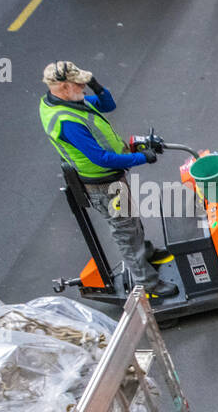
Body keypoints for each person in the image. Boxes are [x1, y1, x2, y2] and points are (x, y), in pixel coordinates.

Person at [39, 61, 178, 300]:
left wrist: (95, 84)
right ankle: (148, 284)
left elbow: (107, 104)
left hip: (112, 179)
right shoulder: (67, 121)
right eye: (78, 83)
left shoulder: (68, 101)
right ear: (62, 87)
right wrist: (141, 157)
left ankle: (144, 251)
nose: (83, 86)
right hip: (103, 184)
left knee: (131, 221)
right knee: (124, 230)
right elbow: (100, 157)